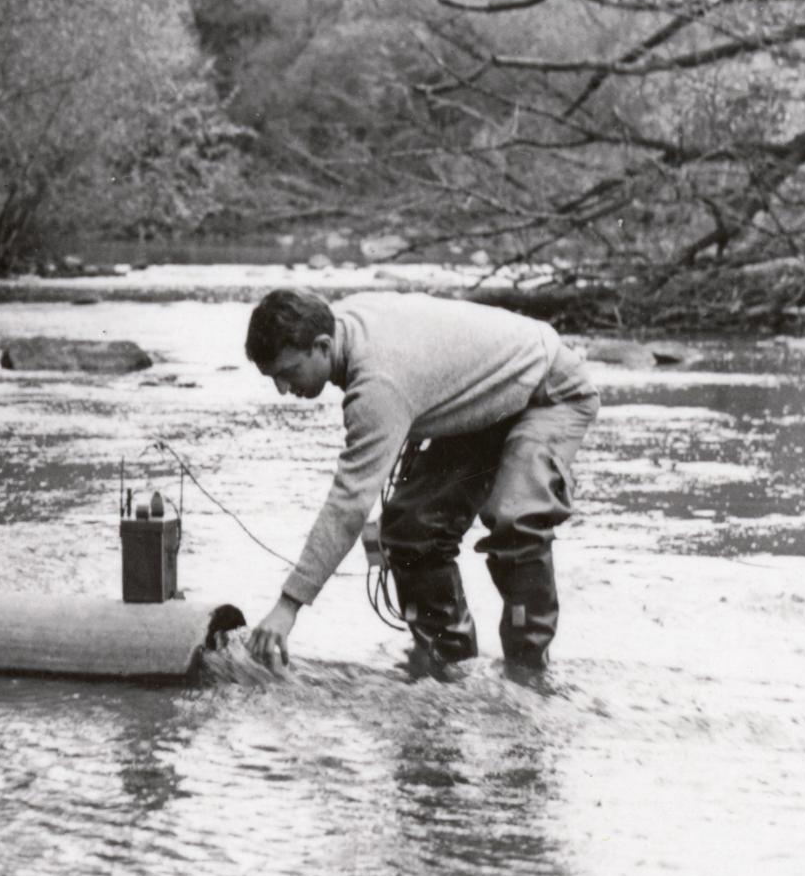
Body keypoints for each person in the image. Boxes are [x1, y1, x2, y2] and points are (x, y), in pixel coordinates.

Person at [241, 287, 600, 672]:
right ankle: (448, 668)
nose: (282, 389)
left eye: (288, 372)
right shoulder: (338, 322)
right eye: (272, 377)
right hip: (485, 399)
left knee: (515, 520)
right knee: (409, 529)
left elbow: (349, 503)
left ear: (323, 346)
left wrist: (288, 605)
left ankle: (528, 676)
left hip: (547, 388)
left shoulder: (377, 384)